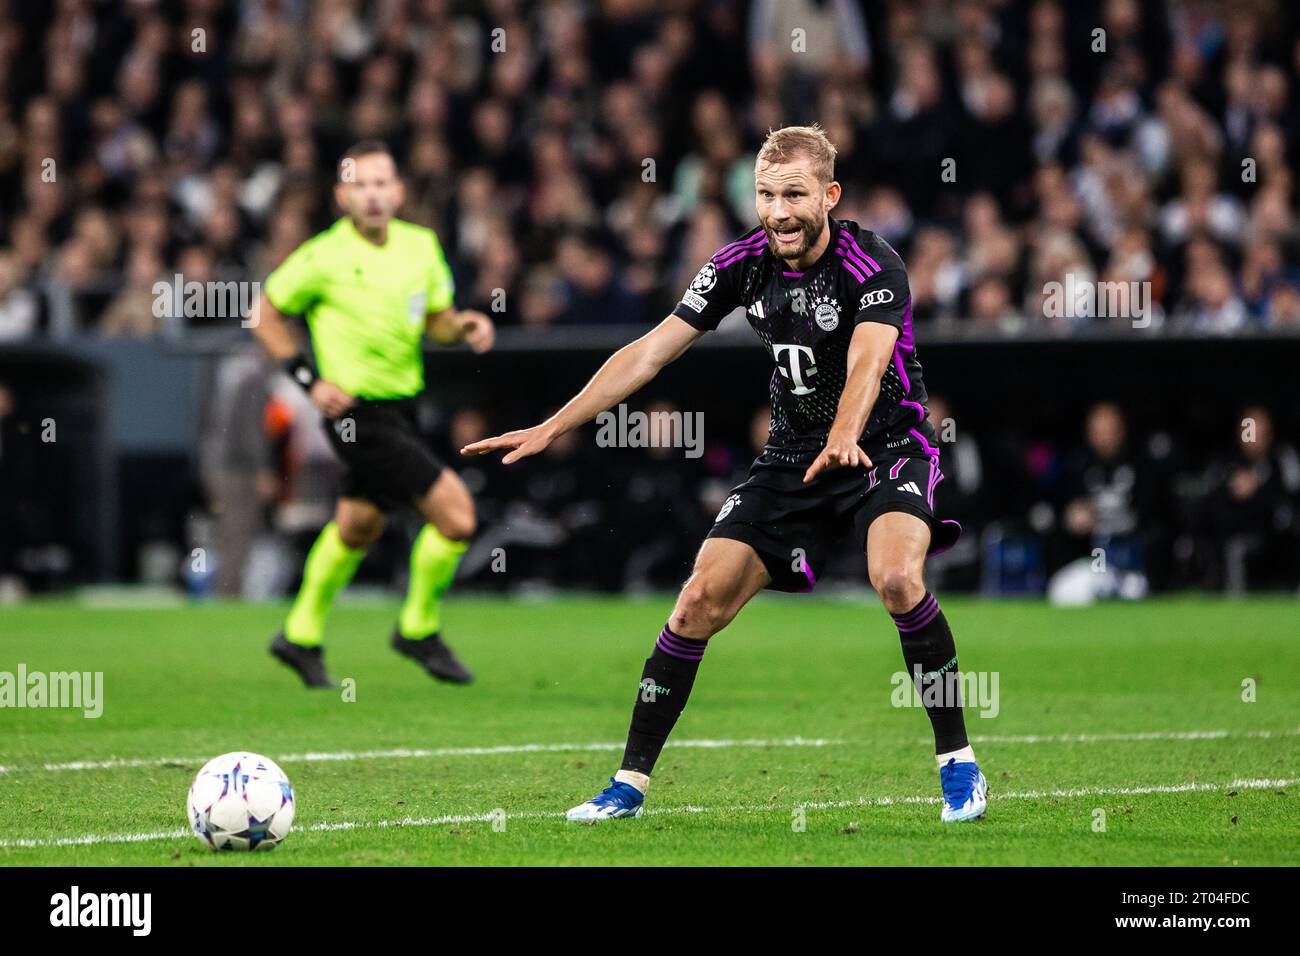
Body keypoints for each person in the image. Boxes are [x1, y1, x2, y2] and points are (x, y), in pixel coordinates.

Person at [464, 125, 986, 824]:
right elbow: (651, 352)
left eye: (794, 195)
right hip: (793, 458)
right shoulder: (739, 263)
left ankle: (958, 765)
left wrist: (844, 435)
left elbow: (867, 362)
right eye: (766, 195)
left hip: (884, 447)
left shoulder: (873, 263)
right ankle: (628, 786)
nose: (778, 212)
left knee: (896, 578)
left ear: (829, 195)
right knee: (695, 602)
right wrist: (553, 424)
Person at [250, 140, 495, 687]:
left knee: (358, 525)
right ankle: (418, 628)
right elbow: (263, 313)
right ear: (342, 196)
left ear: (399, 191)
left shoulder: (421, 247)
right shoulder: (323, 256)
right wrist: (308, 380)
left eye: (382, 183)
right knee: (457, 518)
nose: (373, 194)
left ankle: (299, 635)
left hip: (404, 406)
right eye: (360, 185)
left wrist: (463, 327)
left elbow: (436, 320)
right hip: (356, 414)